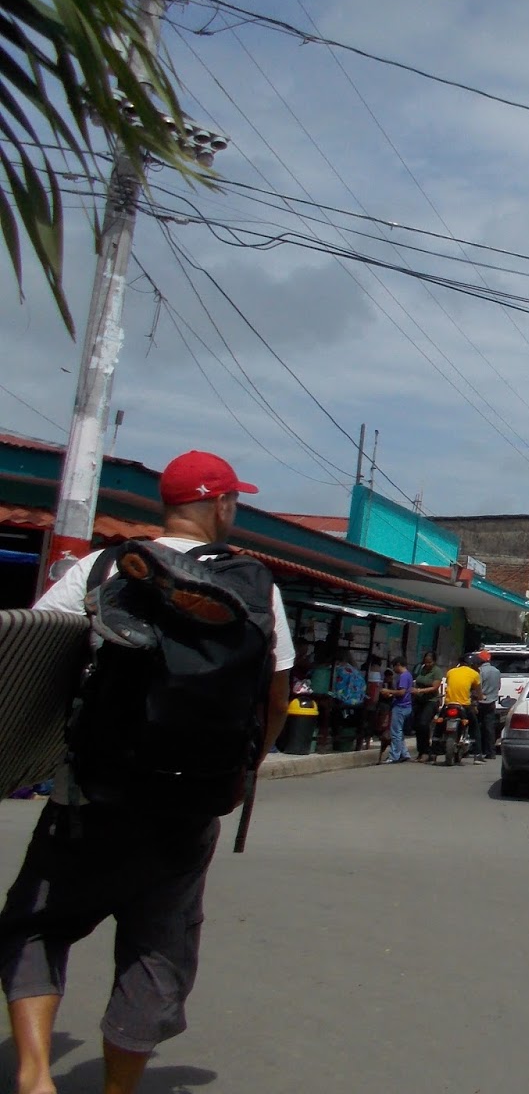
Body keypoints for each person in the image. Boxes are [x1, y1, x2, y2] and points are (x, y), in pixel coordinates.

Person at [0, 450, 293, 1094]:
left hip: (90, 796)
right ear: (218, 503)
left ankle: (32, 1075)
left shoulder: (99, 568)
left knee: (36, 923)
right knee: (155, 947)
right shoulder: (257, 586)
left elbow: (32, 652)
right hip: (189, 808)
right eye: (233, 500)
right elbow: (275, 699)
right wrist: (244, 765)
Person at [442, 654, 482, 762]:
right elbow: (478, 692)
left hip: (448, 704)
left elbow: (449, 685)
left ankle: (433, 752)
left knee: (439, 723)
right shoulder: (474, 674)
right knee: (475, 727)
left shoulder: (451, 671)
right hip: (464, 705)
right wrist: (480, 697)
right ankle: (477, 755)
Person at [412, 652, 444, 763]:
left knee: (424, 724)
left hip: (431, 701)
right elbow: (417, 681)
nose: (427, 664)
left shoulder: (437, 671)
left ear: (434, 662)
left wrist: (420, 690)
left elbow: (435, 687)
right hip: (419, 700)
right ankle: (420, 751)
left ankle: (426, 751)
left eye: (430, 662)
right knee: (417, 726)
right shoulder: (421, 669)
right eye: (426, 662)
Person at [381, 658, 414, 764]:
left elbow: (401, 692)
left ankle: (394, 756)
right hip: (406, 706)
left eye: (394, 667)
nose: (394, 670)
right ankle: (404, 753)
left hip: (401, 707)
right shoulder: (408, 675)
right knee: (400, 732)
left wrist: (388, 691)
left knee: (395, 733)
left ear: (398, 665)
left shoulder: (404, 676)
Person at [474, 651, 501, 762]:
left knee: (476, 727)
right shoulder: (497, 671)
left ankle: (477, 750)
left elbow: (477, 686)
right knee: (489, 728)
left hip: (480, 702)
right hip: (491, 702)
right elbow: (498, 686)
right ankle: (491, 752)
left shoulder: (479, 671)